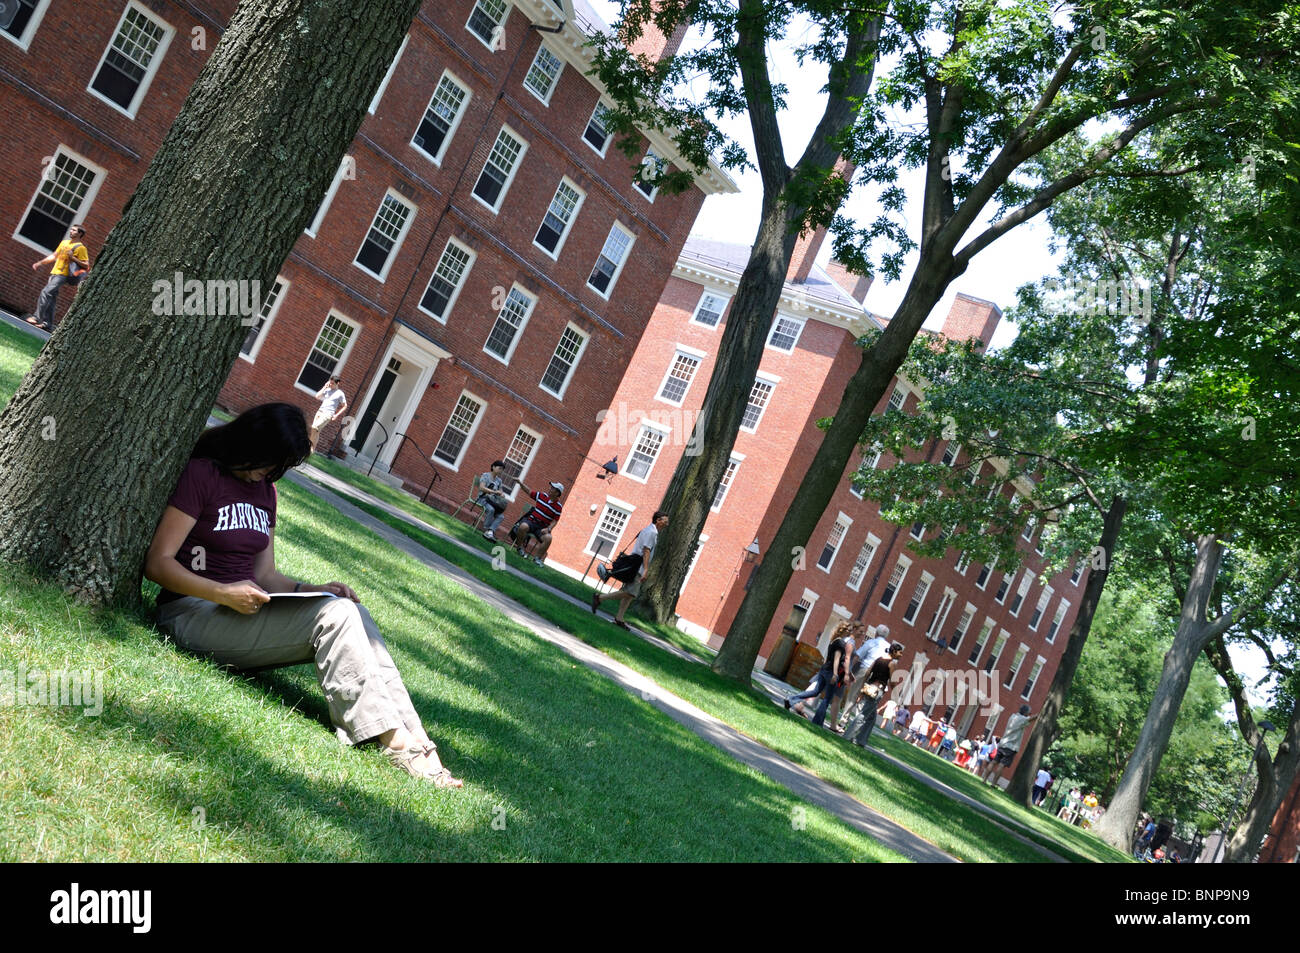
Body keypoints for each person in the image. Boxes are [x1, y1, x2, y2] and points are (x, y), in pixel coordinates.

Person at [143, 403, 462, 787]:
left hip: (238, 614)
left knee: (350, 611)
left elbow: (265, 575)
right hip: (191, 613)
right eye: (269, 461)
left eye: (280, 467)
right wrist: (222, 592)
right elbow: (158, 564)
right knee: (337, 617)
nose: (270, 473)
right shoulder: (202, 475)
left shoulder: (265, 492)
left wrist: (315, 590)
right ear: (250, 442)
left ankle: (418, 742)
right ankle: (393, 741)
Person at [592, 511, 668, 629]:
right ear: (658, 520)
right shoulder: (652, 532)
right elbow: (646, 550)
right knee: (630, 592)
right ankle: (600, 598)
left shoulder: (648, 530)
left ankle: (619, 618)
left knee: (629, 594)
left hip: (635, 563)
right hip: (638, 565)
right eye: (665, 521)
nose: (666, 523)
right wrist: (646, 569)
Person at [784, 622, 855, 728]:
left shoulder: (834, 641)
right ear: (844, 630)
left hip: (824, 669)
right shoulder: (841, 644)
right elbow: (836, 659)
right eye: (849, 630)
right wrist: (835, 674)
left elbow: (829, 658)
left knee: (815, 691)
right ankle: (817, 722)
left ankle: (791, 699)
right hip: (831, 672)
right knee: (827, 699)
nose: (850, 632)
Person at [27, 223, 90, 331]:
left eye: (74, 230)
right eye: (71, 229)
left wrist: (73, 258)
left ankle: (36, 317)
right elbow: (54, 256)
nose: (71, 231)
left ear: (80, 234)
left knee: (46, 292)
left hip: (63, 275)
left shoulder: (81, 248)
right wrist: (40, 263)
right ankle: (48, 324)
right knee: (51, 298)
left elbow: (86, 265)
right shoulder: (64, 243)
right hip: (54, 273)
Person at [842, 642, 904, 747]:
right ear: (893, 651)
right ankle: (847, 736)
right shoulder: (892, 663)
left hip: (869, 687)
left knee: (871, 718)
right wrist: (897, 696)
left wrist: (861, 689)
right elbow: (893, 682)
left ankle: (861, 741)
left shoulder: (878, 659)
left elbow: (867, 673)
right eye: (900, 652)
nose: (901, 655)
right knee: (863, 715)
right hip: (877, 691)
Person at [831, 623, 893, 726]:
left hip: (864, 669)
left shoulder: (871, 642)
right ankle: (856, 723)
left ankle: (843, 721)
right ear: (886, 636)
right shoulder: (889, 647)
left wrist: (849, 670)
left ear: (876, 633)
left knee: (853, 695)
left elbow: (857, 656)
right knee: (866, 699)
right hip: (879, 676)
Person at [510, 479, 564, 564]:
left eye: (553, 488)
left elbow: (555, 520)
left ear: (557, 493)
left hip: (542, 528)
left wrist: (548, 529)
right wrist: (520, 483)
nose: (550, 489)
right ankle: (519, 548)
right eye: (551, 487)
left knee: (548, 538)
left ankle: (537, 559)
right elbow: (529, 491)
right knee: (523, 526)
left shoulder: (558, 507)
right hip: (531, 521)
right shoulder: (541, 495)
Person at [474, 460, 511, 540]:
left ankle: (490, 531)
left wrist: (502, 494)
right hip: (483, 499)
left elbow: (501, 491)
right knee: (491, 510)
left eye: (502, 469)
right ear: (493, 467)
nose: (501, 471)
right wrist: (494, 491)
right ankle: (487, 530)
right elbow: (481, 488)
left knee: (501, 516)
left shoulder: (499, 481)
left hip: (493, 502)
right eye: (499, 468)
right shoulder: (485, 475)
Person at [310, 374, 347, 452]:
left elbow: (345, 406)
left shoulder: (340, 393)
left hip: (328, 414)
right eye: (330, 382)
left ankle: (310, 446)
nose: (331, 384)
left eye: (333, 383)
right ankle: (311, 449)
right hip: (320, 411)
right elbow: (317, 396)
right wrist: (324, 387)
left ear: (338, 383)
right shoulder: (327, 389)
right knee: (316, 431)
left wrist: (336, 415)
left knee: (314, 427)